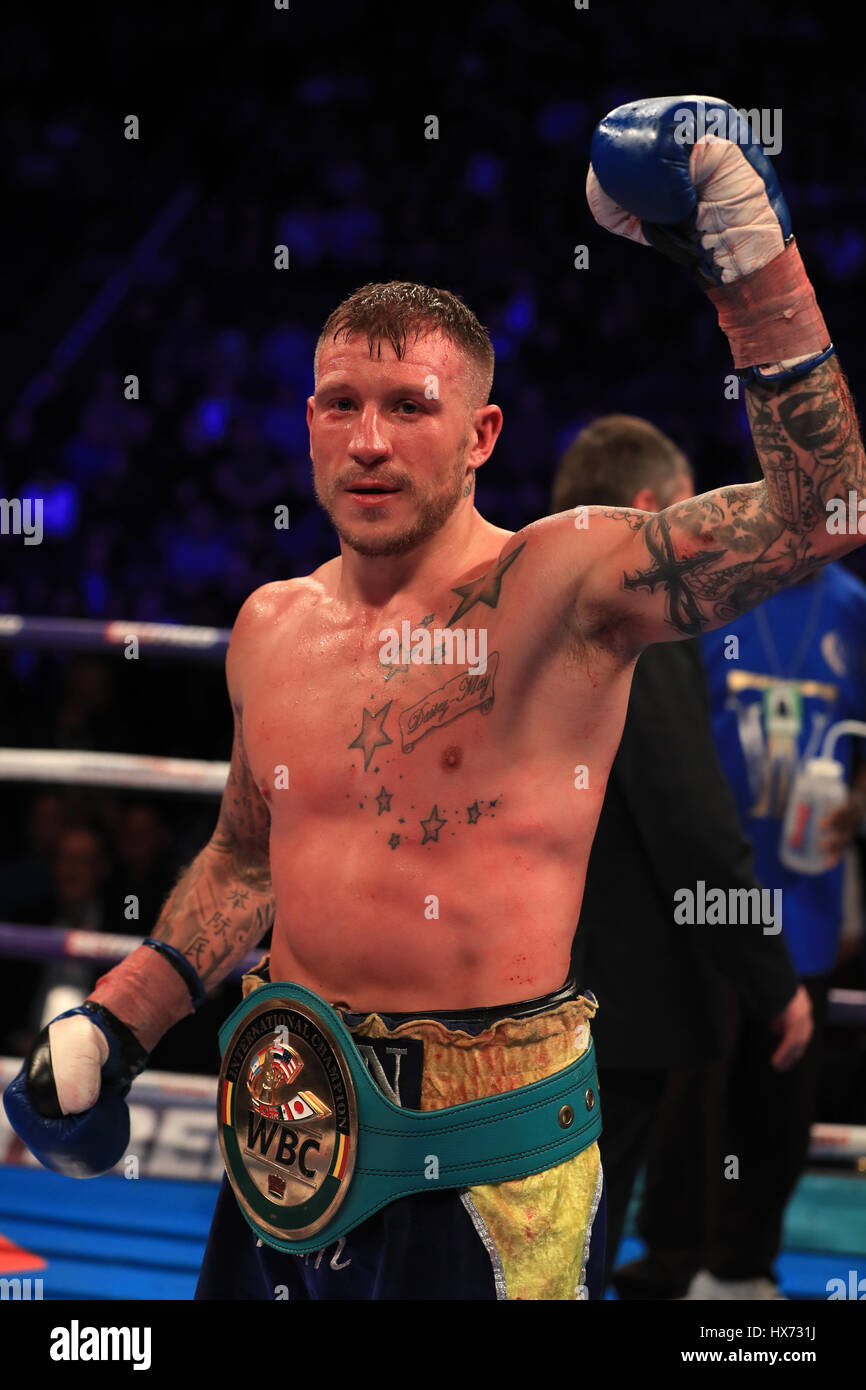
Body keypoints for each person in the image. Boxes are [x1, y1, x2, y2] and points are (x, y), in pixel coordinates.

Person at [6, 96, 865, 1301]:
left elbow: (822, 511)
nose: (369, 439)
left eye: (409, 406)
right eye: (342, 405)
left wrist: (743, 251)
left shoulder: (561, 584)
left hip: (489, 1172)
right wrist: (119, 1017)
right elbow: (250, 857)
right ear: (306, 424)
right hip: (284, 1138)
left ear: (480, 434)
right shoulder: (270, 625)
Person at [553, 415, 810, 1289]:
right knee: (571, 1234)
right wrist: (770, 979)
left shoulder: (503, 600)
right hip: (598, 1002)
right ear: (650, 508)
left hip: (501, 996)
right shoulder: (636, 614)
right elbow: (693, 827)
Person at [618, 553, 866, 1300]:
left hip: (807, 896)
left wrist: (858, 802)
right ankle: (668, 1262)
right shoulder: (714, 592)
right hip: (707, 886)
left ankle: (742, 1267)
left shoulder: (855, 607)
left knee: (780, 1100)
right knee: (689, 1090)